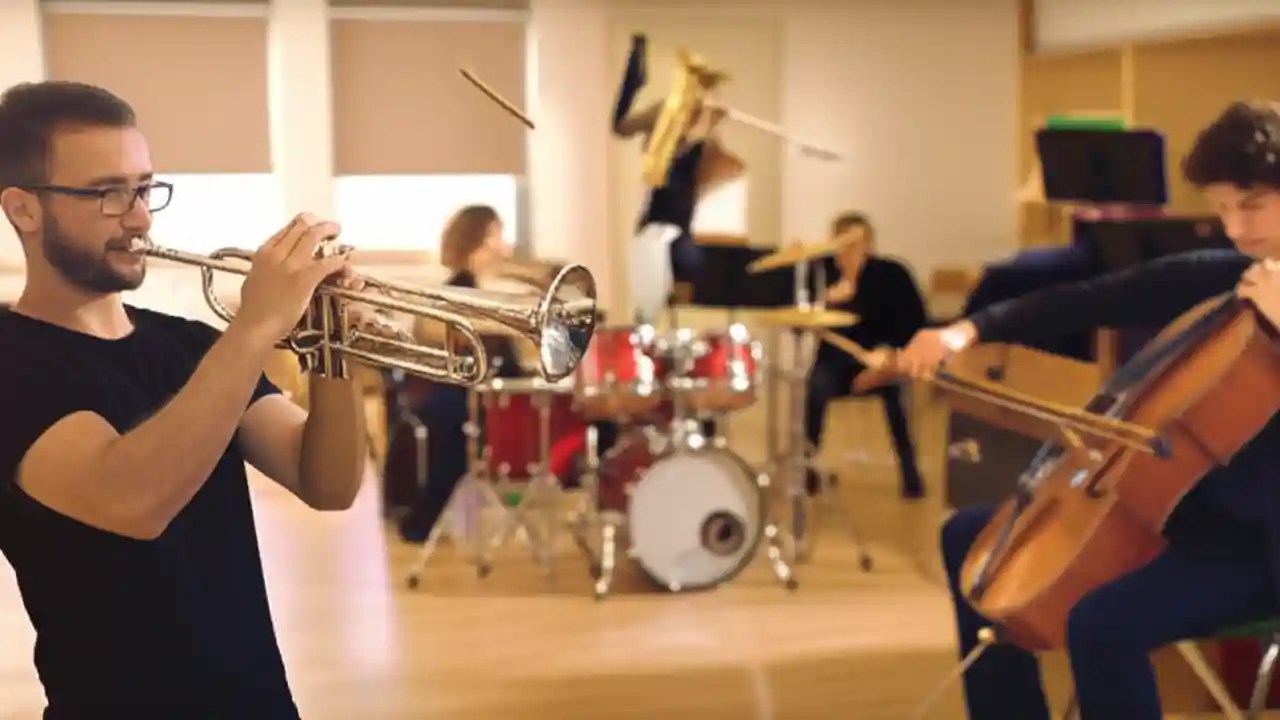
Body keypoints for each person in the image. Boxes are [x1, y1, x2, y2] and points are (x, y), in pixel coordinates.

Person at [898, 99, 1280, 719]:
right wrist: (967, 330)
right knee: (972, 540)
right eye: (1222, 210)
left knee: (1103, 624)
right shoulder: (1233, 277)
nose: (1237, 229)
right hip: (1182, 513)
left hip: (1255, 547)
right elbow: (1091, 298)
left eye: (1252, 204)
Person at [0, 81, 369, 718]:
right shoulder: (13, 361)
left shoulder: (193, 347)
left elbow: (326, 482)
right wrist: (255, 326)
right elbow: (133, 499)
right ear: (25, 210)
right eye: (107, 193)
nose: (140, 215)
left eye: (145, 188)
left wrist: (333, 348)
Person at [397, 204, 523, 544]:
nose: (503, 245)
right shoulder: (457, 290)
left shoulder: (484, 288)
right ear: (478, 241)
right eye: (497, 235)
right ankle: (427, 515)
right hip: (453, 396)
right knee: (456, 420)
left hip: (476, 393)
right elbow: (442, 339)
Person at [611, 33, 745, 323]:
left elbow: (726, 170)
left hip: (680, 227)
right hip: (656, 221)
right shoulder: (665, 116)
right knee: (652, 292)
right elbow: (623, 130)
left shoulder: (707, 138)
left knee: (693, 272)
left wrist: (708, 127)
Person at [806, 211, 927, 498]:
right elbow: (803, 319)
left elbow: (915, 322)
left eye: (856, 244)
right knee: (813, 390)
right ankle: (806, 468)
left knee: (894, 398)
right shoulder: (820, 274)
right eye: (842, 243)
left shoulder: (893, 274)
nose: (848, 251)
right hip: (835, 363)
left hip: (881, 360)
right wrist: (825, 302)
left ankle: (910, 473)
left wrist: (888, 360)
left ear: (869, 245)